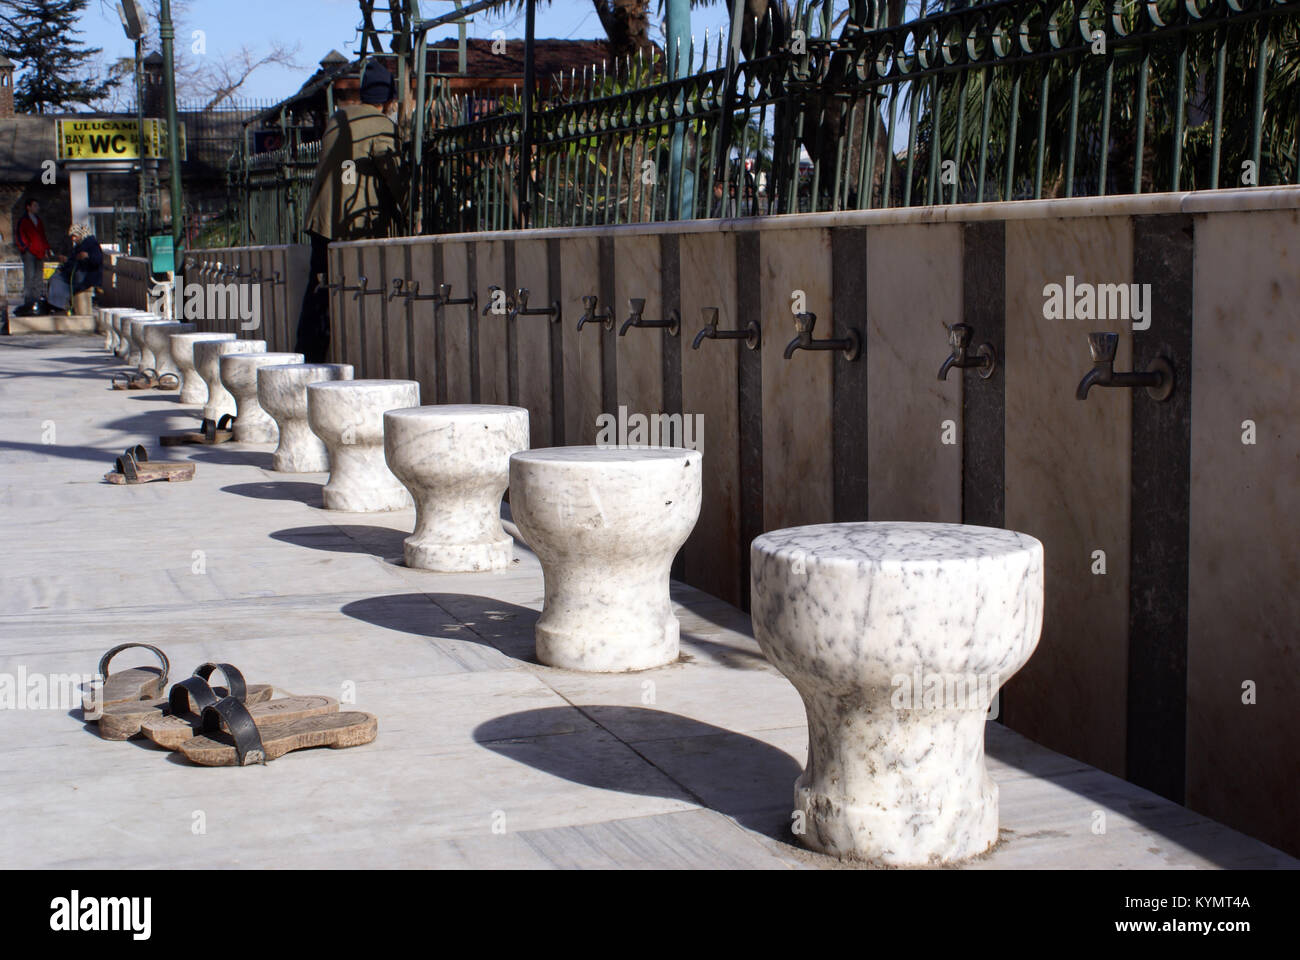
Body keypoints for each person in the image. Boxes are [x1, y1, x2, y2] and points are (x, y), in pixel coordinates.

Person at [294, 60, 406, 363]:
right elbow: (394, 174)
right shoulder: (382, 126)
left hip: (321, 219)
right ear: (389, 99)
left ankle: (307, 357)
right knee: (359, 289)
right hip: (354, 224)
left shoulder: (338, 118)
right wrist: (411, 208)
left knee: (319, 289)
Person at [48, 224, 103, 312]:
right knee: (55, 278)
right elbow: (73, 259)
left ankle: (61, 304)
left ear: (80, 234)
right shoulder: (79, 246)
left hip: (87, 275)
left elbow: (97, 260)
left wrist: (87, 256)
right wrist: (67, 260)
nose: (73, 239)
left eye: (74, 236)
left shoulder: (92, 244)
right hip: (75, 272)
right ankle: (56, 304)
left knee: (63, 280)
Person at [15, 198, 52, 315]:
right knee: (29, 277)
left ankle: (37, 300)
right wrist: (26, 248)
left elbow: (42, 236)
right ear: (28, 207)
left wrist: (46, 249)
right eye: (35, 205)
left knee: (38, 277)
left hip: (39, 252)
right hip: (30, 252)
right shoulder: (24, 221)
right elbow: (20, 236)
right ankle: (29, 302)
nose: (37, 208)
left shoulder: (38, 221)